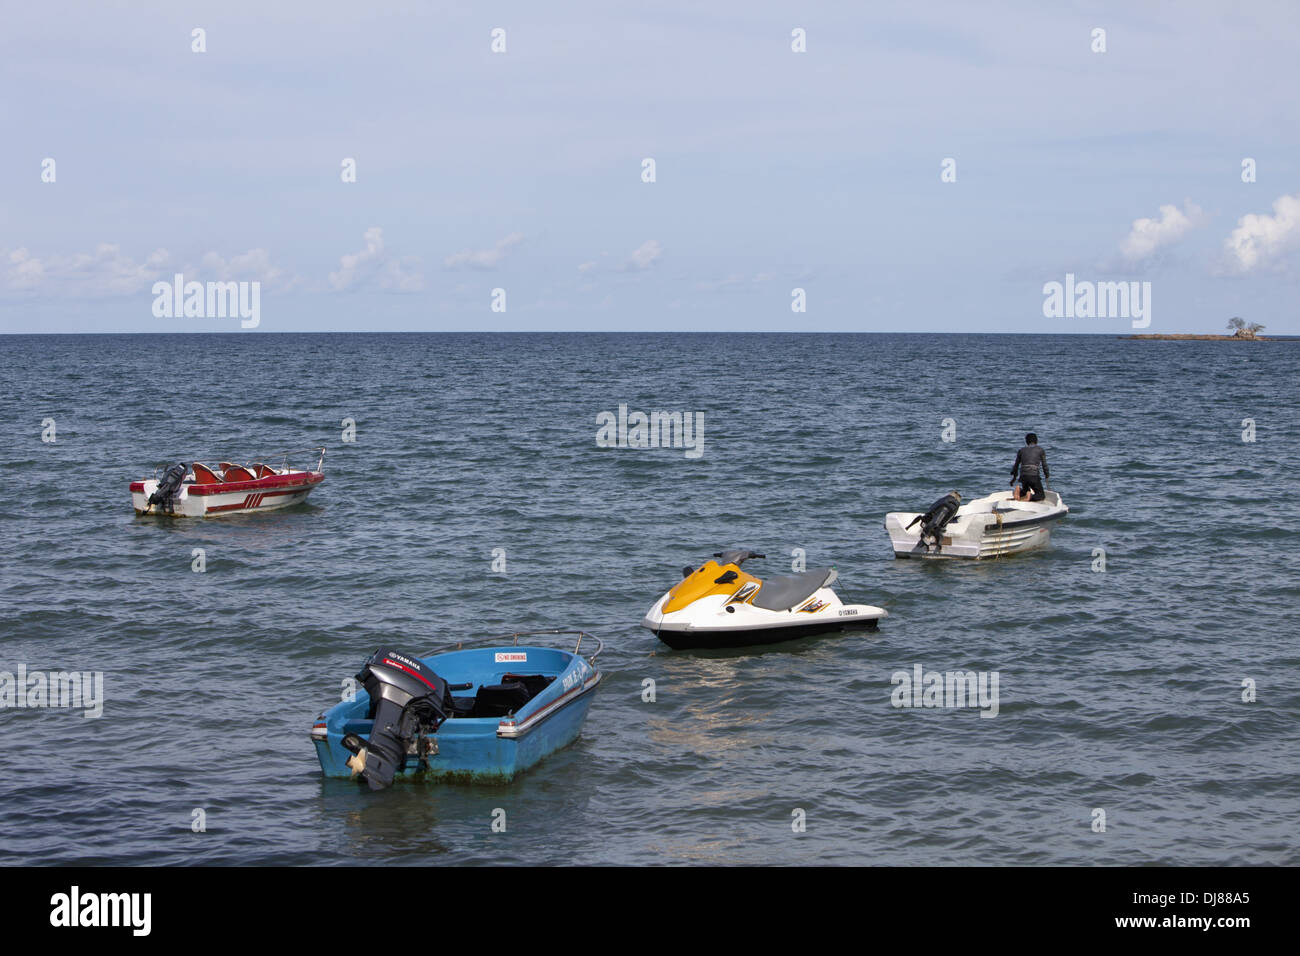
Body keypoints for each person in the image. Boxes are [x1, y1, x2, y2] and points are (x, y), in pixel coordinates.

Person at [1010, 433, 1049, 502]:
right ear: (1036, 441)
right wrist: (1046, 474)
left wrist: (1014, 478)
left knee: (1025, 491)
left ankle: (1019, 490)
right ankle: (1030, 496)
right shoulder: (1040, 450)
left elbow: (1016, 466)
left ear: (1026, 441)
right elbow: (1044, 465)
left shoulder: (1021, 450)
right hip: (1033, 476)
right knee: (1041, 495)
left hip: (1023, 476)